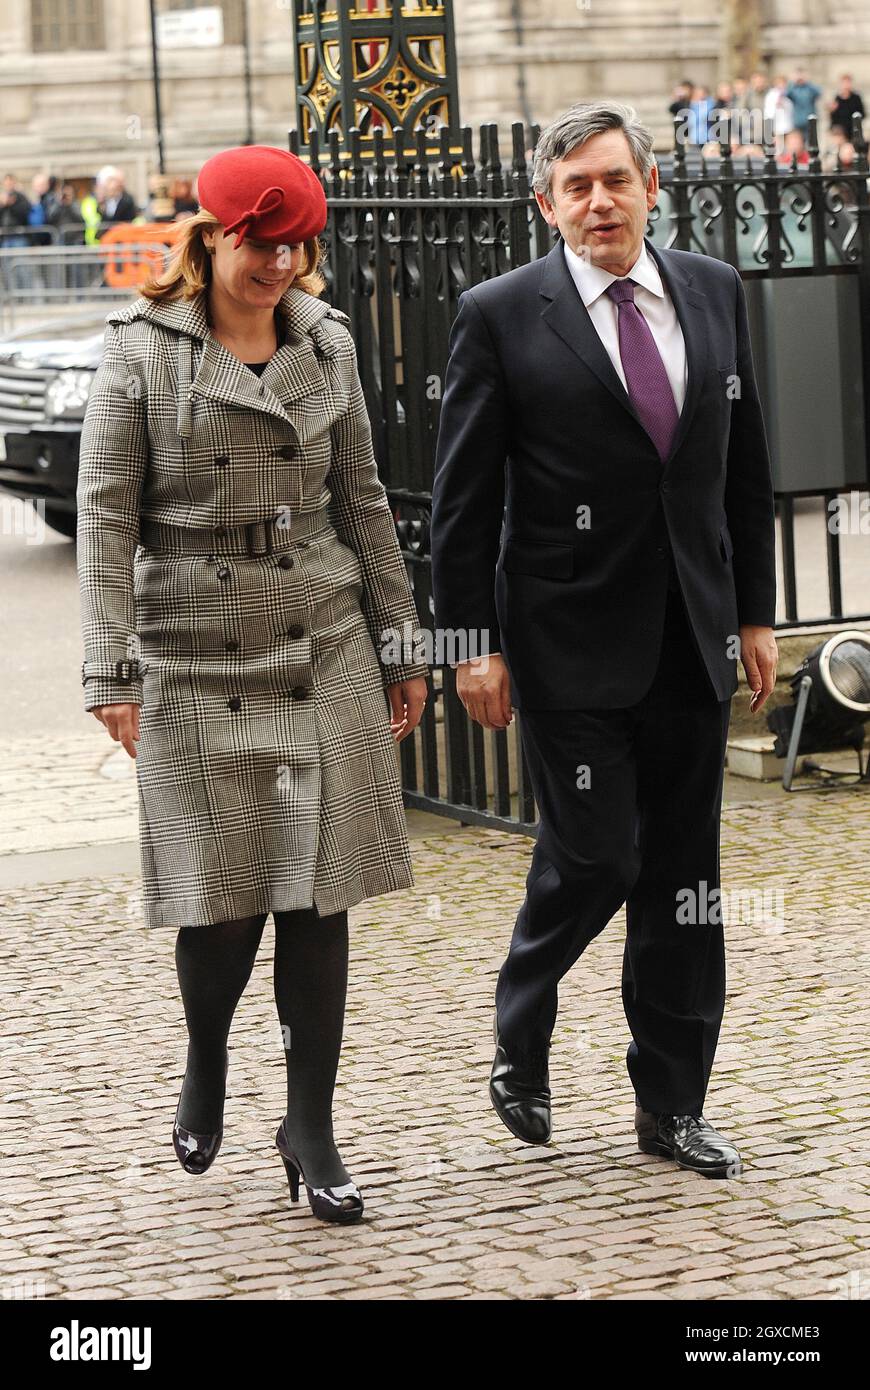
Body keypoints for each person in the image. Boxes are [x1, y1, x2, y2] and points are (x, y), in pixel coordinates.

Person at [76, 144, 430, 1223]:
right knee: (223, 901)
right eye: (258, 244)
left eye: (296, 247)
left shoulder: (324, 341)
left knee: (320, 900)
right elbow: (104, 516)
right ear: (212, 236)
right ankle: (204, 1057)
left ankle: (310, 1124)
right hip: (194, 645)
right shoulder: (140, 354)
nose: (279, 264)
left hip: (319, 634)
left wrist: (402, 640)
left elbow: (363, 496)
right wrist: (110, 666)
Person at [430, 100, 778, 1179]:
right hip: (566, 637)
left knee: (687, 879)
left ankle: (671, 1103)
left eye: (615, 181)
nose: (598, 202)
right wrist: (468, 644)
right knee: (600, 851)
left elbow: (742, 467)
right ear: (546, 204)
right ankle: (522, 1021)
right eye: (575, 187)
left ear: (650, 189)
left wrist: (756, 612)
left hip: (693, 635)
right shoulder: (499, 315)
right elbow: (461, 500)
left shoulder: (715, 290)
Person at [828, 74, 865, 143]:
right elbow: (833, 118)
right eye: (844, 83)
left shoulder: (856, 98)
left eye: (848, 82)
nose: (846, 85)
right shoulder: (837, 98)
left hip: (853, 131)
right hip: (841, 133)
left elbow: (862, 114)